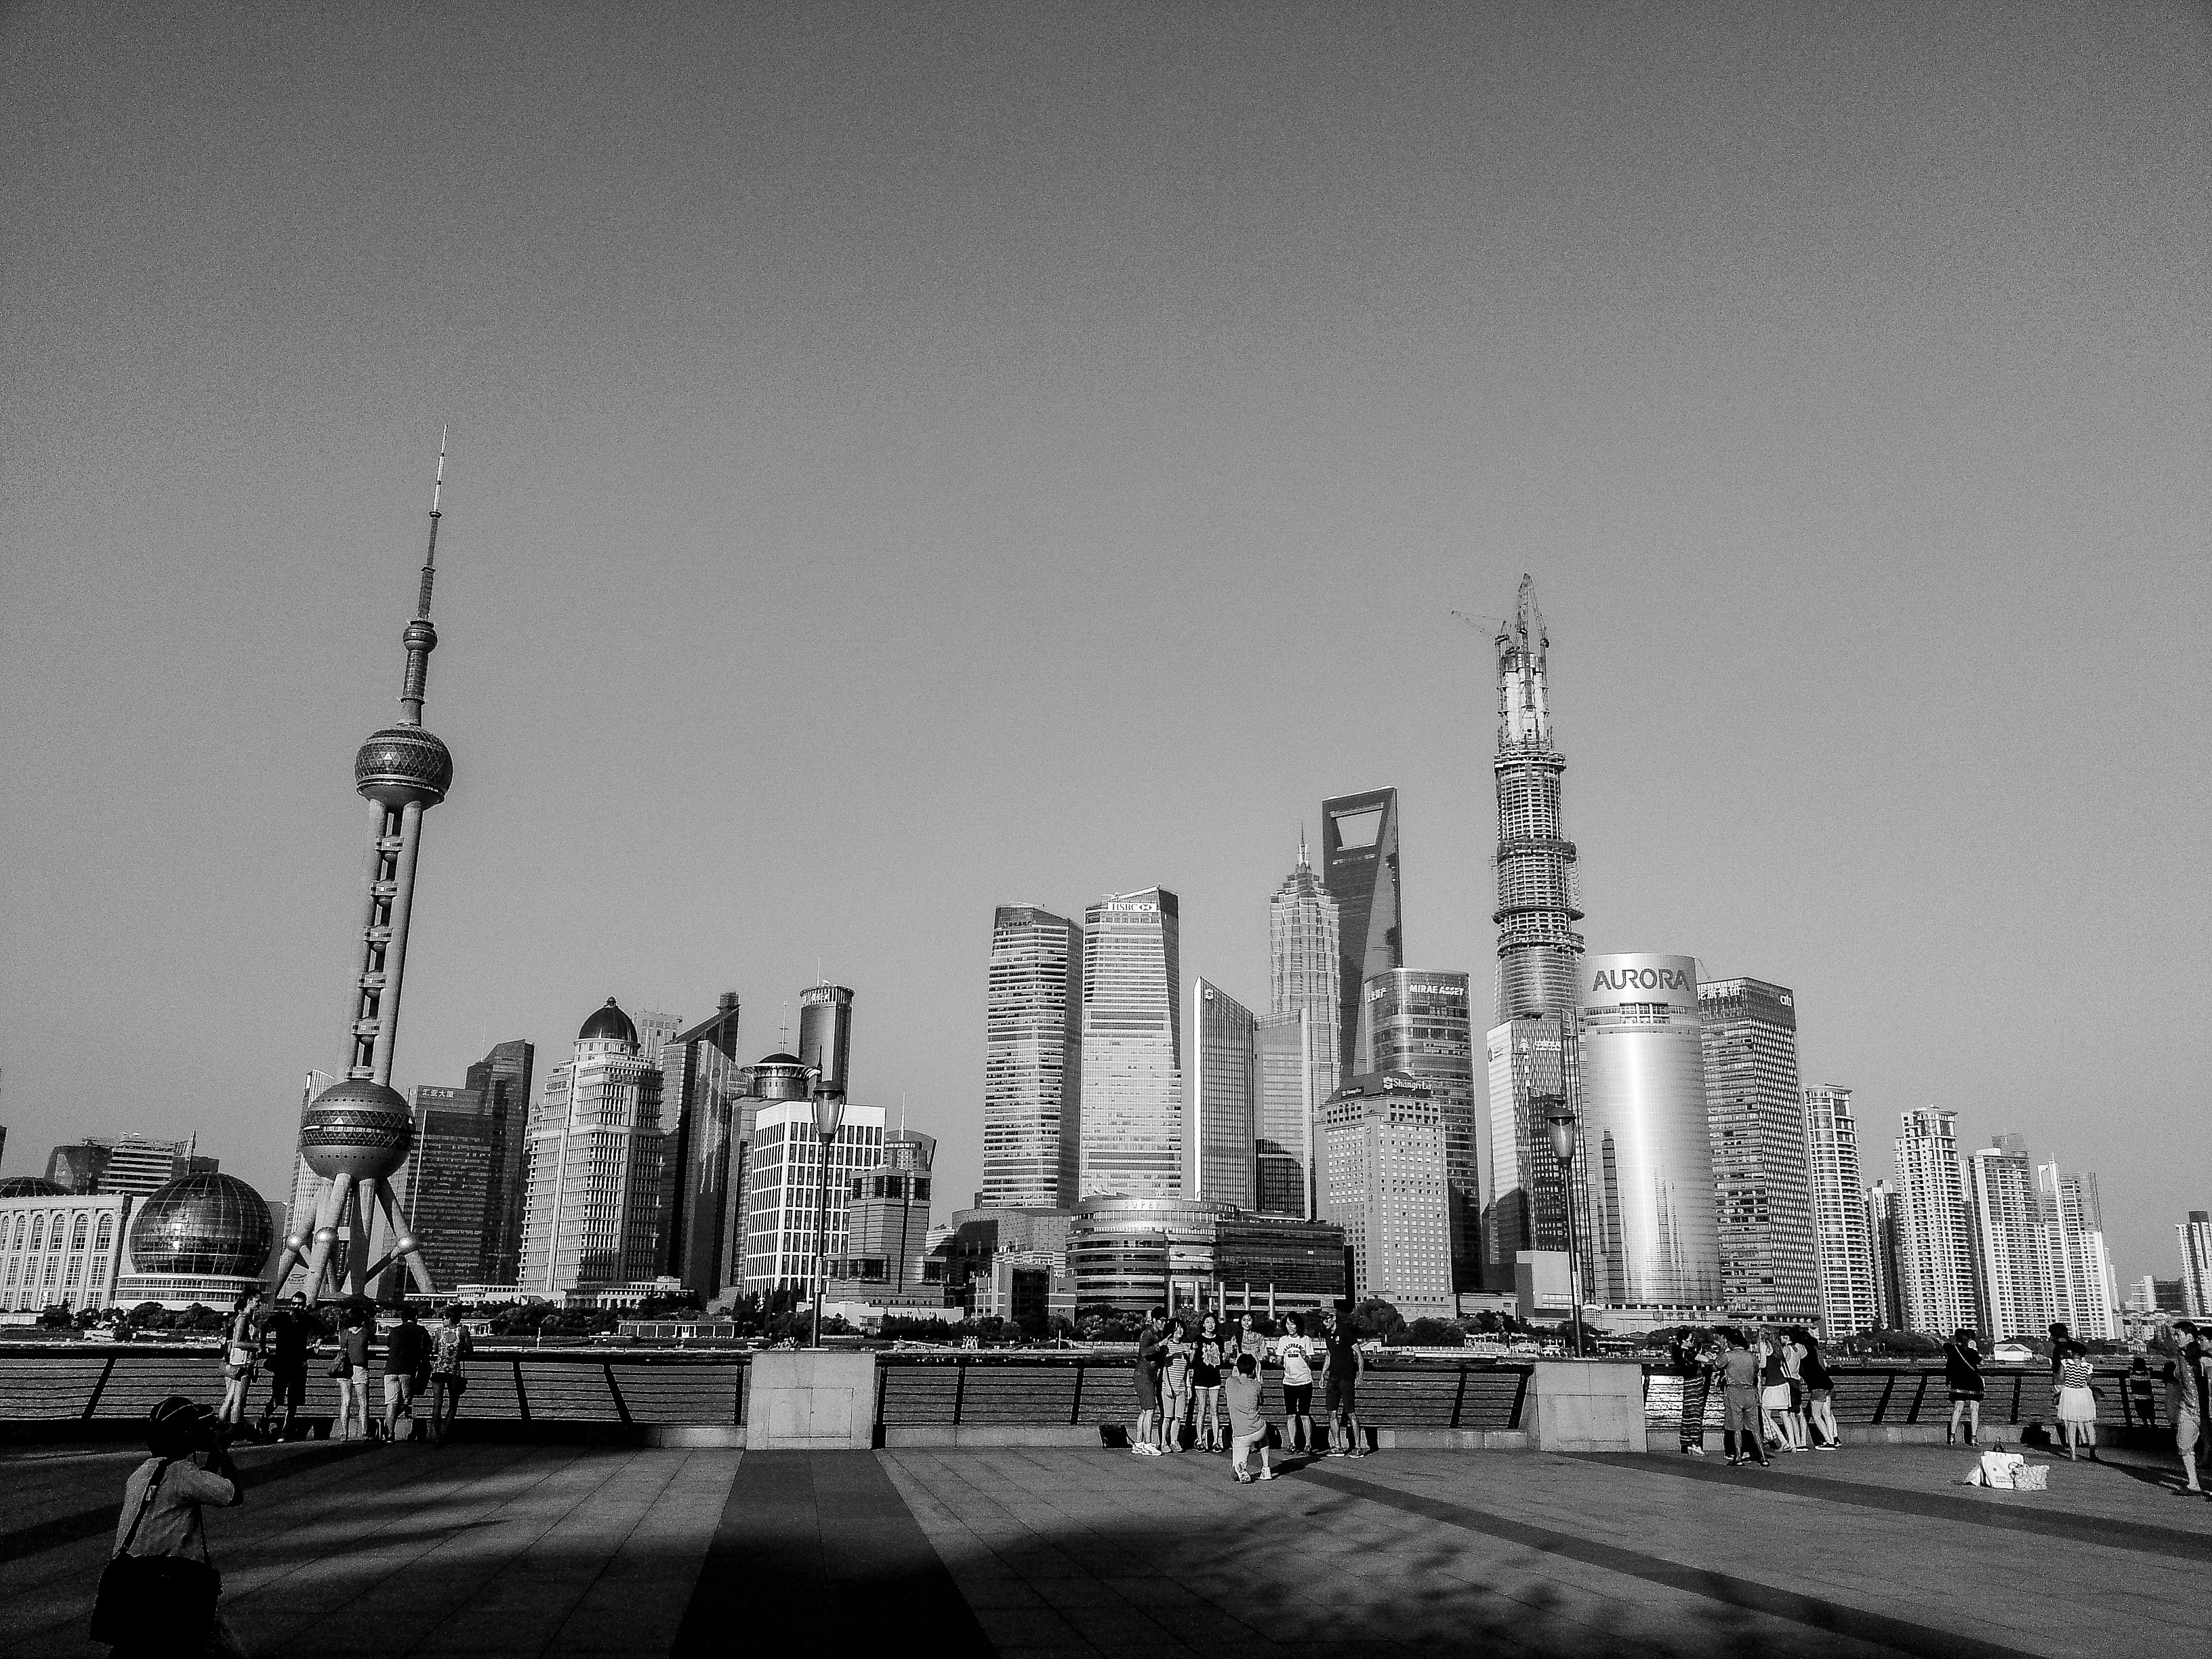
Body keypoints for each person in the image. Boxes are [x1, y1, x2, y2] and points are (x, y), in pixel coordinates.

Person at [105, 1395, 248, 1657]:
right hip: (171, 1583)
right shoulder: (182, 1474)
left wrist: (214, 1450)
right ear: (186, 1434)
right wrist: (219, 1448)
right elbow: (234, 1494)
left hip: (135, 1576)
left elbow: (203, 1482)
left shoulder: (144, 1472)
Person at [256, 1292, 316, 1441]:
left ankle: (285, 1430)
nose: (298, 1307)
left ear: (305, 1305)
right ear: (291, 1304)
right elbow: (264, 1326)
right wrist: (262, 1346)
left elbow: (323, 1330)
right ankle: (262, 1421)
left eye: (301, 1304)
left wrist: (319, 1341)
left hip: (299, 1365)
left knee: (293, 1401)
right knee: (277, 1398)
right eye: (295, 1304)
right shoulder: (281, 1317)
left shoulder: (307, 1319)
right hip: (282, 1364)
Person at [2167, 1320, 2207, 1496]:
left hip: (2206, 1408)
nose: (2176, 1338)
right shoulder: (2180, 1355)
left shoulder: (2199, 1354)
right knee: (2184, 1443)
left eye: (2179, 1335)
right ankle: (2193, 1483)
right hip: (2188, 1407)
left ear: (2190, 1336)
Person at [1718, 1328, 1767, 1467]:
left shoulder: (1729, 1356)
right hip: (1750, 1392)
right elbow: (1756, 1371)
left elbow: (1716, 1365)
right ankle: (1763, 1458)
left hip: (1734, 1393)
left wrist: (1722, 1349)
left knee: (1737, 1428)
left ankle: (1738, 1458)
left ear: (1731, 1343)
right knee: (1755, 1428)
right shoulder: (1751, 1356)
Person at [382, 1305, 430, 1443]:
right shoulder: (420, 1330)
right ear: (416, 1317)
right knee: (407, 1401)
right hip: (408, 1370)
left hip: (390, 1370)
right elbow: (429, 1347)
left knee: (391, 1403)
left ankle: (390, 1434)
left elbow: (388, 1347)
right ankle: (406, 1428)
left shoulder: (394, 1330)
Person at [1321, 1306, 1364, 1458]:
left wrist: (1360, 1374)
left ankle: (1358, 1446)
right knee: (1331, 1412)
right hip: (1333, 1378)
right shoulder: (1327, 1334)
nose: (1324, 1322)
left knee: (1351, 1412)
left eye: (1326, 1319)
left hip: (1346, 1377)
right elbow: (1329, 1354)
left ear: (1333, 1318)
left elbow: (1358, 1353)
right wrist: (1323, 1373)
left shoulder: (1345, 1332)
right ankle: (1337, 1446)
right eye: (1322, 1319)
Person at [1225, 1352, 1275, 1482]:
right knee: (1264, 1437)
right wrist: (1258, 1375)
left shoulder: (1230, 1382)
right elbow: (1261, 1401)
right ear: (1253, 1370)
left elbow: (1235, 1377)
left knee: (1234, 1473)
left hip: (1241, 1435)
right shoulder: (1256, 1385)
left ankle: (1241, 1468)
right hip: (1258, 1428)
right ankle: (1266, 1469)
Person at [426, 1305, 473, 1445]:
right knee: (453, 1404)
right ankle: (445, 1432)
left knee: (437, 1404)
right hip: (453, 1371)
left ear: (449, 1319)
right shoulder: (463, 1331)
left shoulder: (439, 1332)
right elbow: (470, 1350)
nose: (443, 1321)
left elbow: (434, 1349)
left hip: (439, 1369)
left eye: (444, 1318)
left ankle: (437, 1435)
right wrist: (461, 1348)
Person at [1273, 1312, 1319, 1453]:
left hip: (1304, 1381)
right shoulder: (1283, 1340)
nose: (1290, 1327)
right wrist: (1276, 1360)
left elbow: (1311, 1360)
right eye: (1287, 1324)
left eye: (1292, 1324)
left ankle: (1308, 1444)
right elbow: (1279, 1361)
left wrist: (1306, 1357)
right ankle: (1292, 1443)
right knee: (1291, 1414)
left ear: (1298, 1325)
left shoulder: (1306, 1340)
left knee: (1304, 1414)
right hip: (1289, 1382)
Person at [216, 1292, 261, 1429]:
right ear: (249, 1301)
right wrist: (257, 1346)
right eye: (257, 1301)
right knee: (238, 1400)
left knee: (230, 1398)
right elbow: (237, 1342)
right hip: (242, 1362)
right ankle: (234, 1430)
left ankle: (221, 1426)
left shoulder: (246, 1319)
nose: (259, 1304)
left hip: (238, 1361)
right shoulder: (243, 1319)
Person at [333, 1305, 375, 1441]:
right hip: (359, 1368)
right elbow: (373, 1341)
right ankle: (365, 1431)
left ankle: (344, 1432)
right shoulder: (365, 1332)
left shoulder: (344, 1332)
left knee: (345, 1401)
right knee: (363, 1402)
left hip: (344, 1368)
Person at [1795, 1327, 1840, 1452]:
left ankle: (1829, 1442)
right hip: (1827, 1382)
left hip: (1817, 1386)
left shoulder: (1801, 1349)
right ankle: (1833, 1439)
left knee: (1816, 1415)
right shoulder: (1813, 1350)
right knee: (1827, 1413)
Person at [2053, 1338, 2098, 1460]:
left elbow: (2061, 1376)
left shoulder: (2066, 1363)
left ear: (2072, 1352)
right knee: (2089, 1424)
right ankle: (2092, 1452)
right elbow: (2088, 1381)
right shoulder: (2088, 1366)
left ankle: (2073, 1453)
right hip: (2084, 1394)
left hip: (2070, 1394)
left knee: (2071, 1425)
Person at [1130, 1306, 1166, 1456]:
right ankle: (1148, 1444)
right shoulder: (1148, 1334)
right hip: (1144, 1375)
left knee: (1145, 1411)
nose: (1164, 1324)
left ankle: (1138, 1443)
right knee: (1150, 1409)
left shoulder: (1155, 1335)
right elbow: (1144, 1351)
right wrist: (1159, 1346)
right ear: (1155, 1320)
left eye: (1165, 1321)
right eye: (1162, 1321)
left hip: (1147, 1376)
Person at [1190, 1313, 1227, 1452]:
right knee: (1201, 1410)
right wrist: (1193, 1351)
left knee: (1214, 1410)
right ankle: (1199, 1440)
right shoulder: (1198, 1339)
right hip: (1200, 1377)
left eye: (1212, 1322)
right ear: (1203, 1324)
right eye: (1208, 1322)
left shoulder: (1219, 1339)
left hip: (1214, 1378)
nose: (1210, 1324)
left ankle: (1216, 1441)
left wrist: (1228, 1355)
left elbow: (1222, 1360)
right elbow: (1192, 1360)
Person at [1672, 1327, 1712, 1455]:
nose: (1692, 1342)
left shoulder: (1680, 1352)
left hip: (1689, 1384)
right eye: (1690, 1339)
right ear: (1684, 1341)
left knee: (1688, 1414)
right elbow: (1705, 1359)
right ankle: (1695, 1442)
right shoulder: (1688, 1353)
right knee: (1695, 1414)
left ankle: (1686, 1442)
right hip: (1695, 1385)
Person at [1944, 1327, 1985, 1448]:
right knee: (1974, 1409)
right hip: (1974, 1383)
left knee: (1958, 1408)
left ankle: (1952, 1436)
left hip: (1959, 1383)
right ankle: (1973, 1438)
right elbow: (1981, 1362)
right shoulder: (1971, 1352)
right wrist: (1974, 1348)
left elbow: (1946, 1347)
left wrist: (1948, 1382)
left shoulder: (1953, 1349)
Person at [1757, 1330, 1797, 1452]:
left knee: (1765, 1414)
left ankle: (1783, 1442)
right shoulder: (1778, 1346)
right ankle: (1793, 1444)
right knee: (1785, 1415)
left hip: (1772, 1384)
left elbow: (1763, 1365)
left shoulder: (1763, 1344)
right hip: (1783, 1383)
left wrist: (1755, 1362)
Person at [1158, 1319, 1194, 1452]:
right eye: (1176, 1329)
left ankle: (1174, 1441)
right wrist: (1167, 1386)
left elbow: (1187, 1370)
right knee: (1168, 1416)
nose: (1179, 1331)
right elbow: (1164, 1369)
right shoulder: (1167, 1346)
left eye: (1181, 1328)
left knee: (1178, 1417)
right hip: (1169, 1386)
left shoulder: (1185, 1348)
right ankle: (1163, 1443)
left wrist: (1188, 1387)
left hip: (1181, 1388)